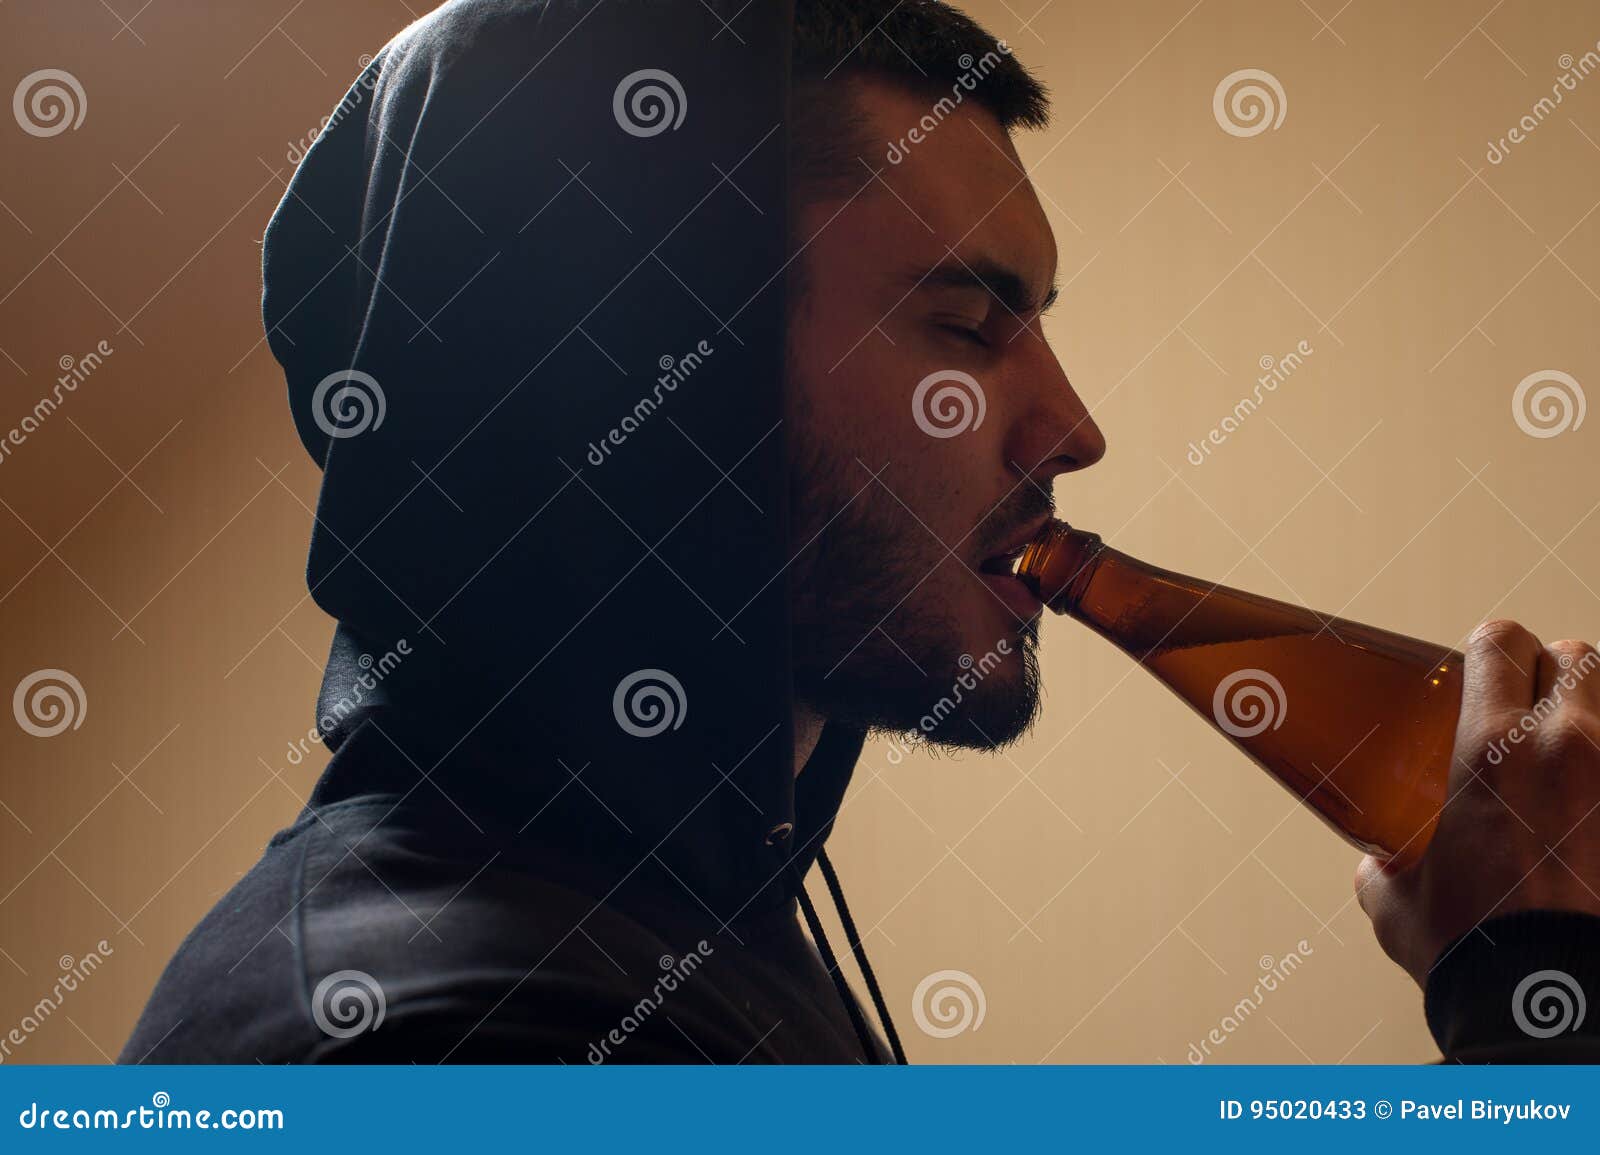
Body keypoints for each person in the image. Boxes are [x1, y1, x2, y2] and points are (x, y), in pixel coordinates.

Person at [120, 0, 1600, 1064]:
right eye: (967, 325)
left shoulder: (686, 910)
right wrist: (1533, 985)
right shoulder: (460, 1039)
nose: (1074, 430)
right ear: (646, 375)